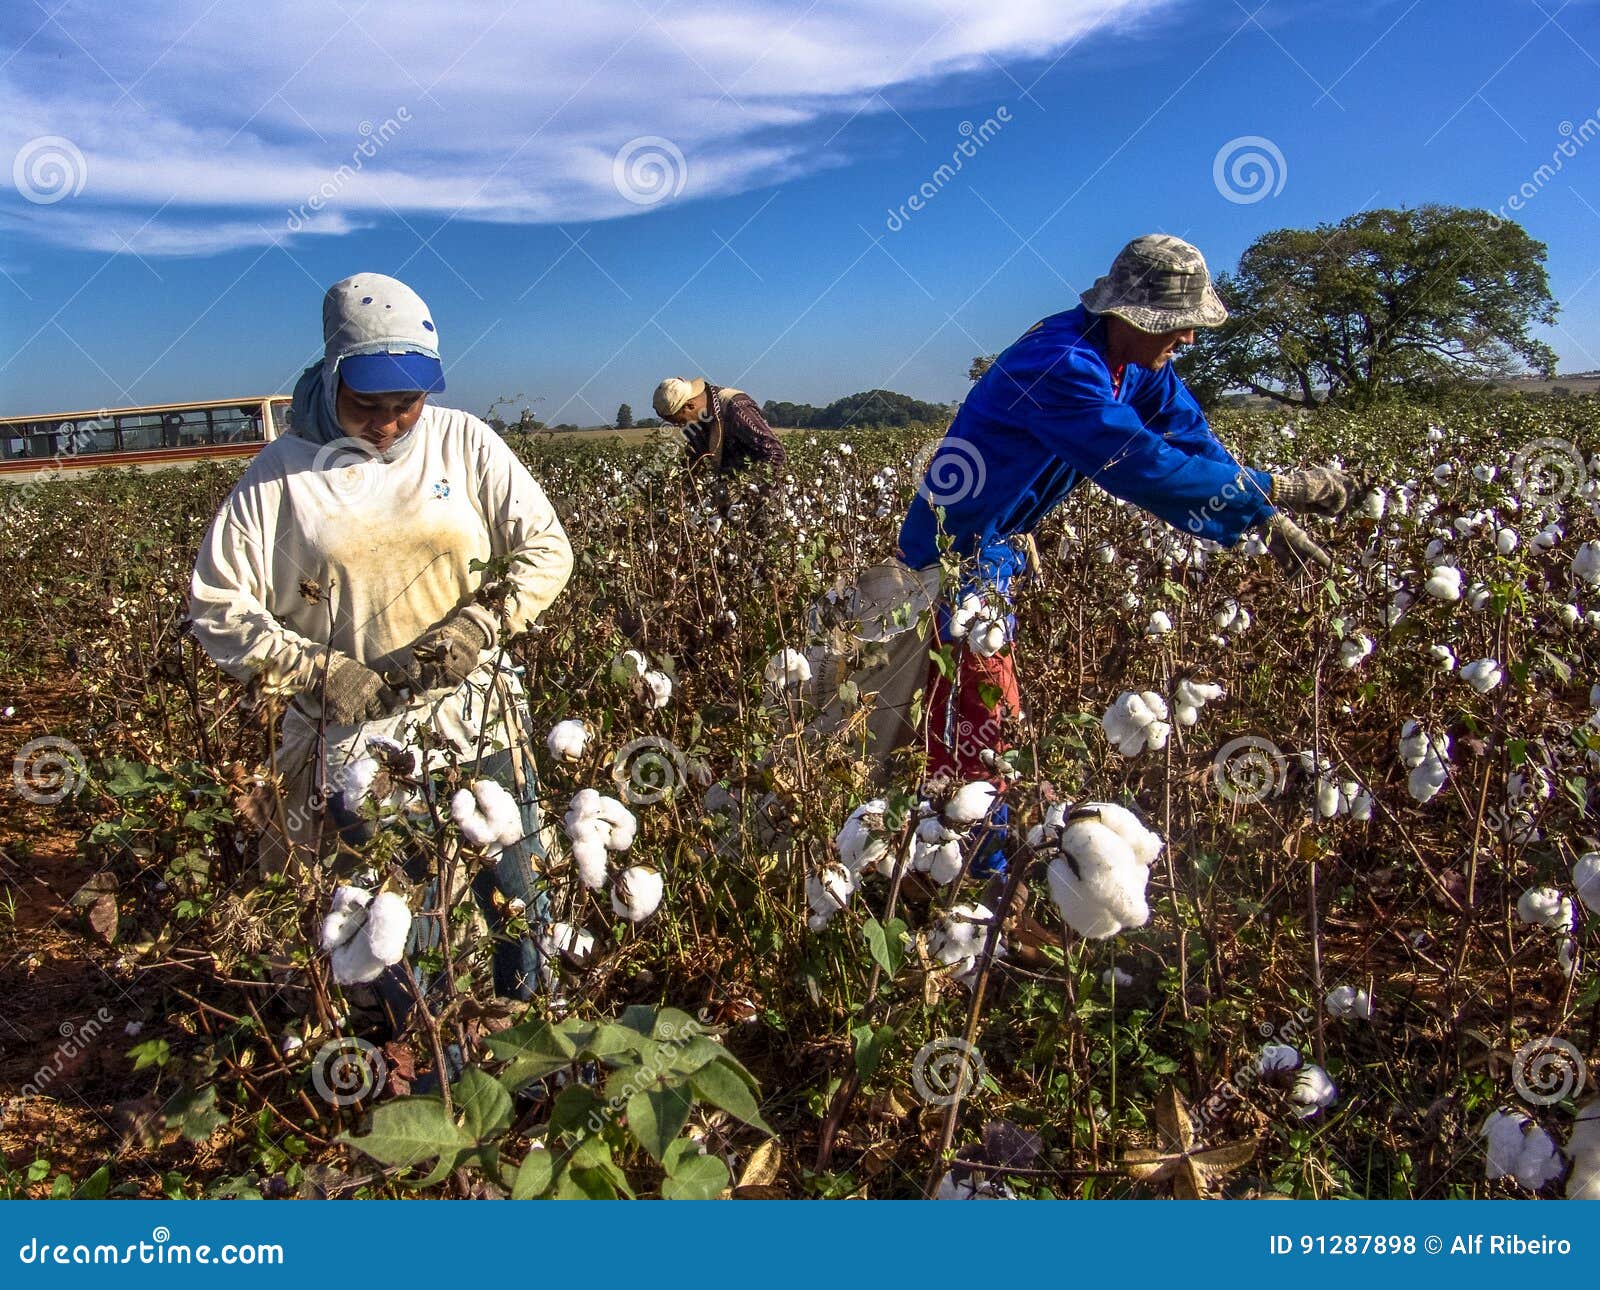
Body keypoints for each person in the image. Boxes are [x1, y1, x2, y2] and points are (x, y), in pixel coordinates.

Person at [895, 234, 1350, 873]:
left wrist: (1265, 517)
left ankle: (973, 849)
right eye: (1178, 326)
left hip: (996, 551)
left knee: (985, 705)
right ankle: (965, 867)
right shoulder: (1060, 366)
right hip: (951, 556)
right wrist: (1280, 486)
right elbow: (1140, 463)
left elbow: (1189, 436)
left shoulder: (1135, 365)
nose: (1187, 340)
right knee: (972, 710)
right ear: (1131, 316)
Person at [189, 272, 573, 1017]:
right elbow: (215, 604)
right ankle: (425, 1061)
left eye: (407, 404)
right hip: (360, 742)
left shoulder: (464, 443)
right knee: (402, 915)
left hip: (477, 715)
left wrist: (480, 624)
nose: (391, 423)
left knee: (518, 894)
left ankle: (535, 1050)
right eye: (368, 405)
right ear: (332, 374)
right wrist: (315, 669)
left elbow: (547, 550)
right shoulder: (281, 477)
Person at [651, 376, 787, 475]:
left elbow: (775, 453)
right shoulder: (694, 422)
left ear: (690, 405)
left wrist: (749, 488)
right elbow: (700, 460)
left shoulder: (736, 408)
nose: (680, 426)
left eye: (680, 421)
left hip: (759, 499)